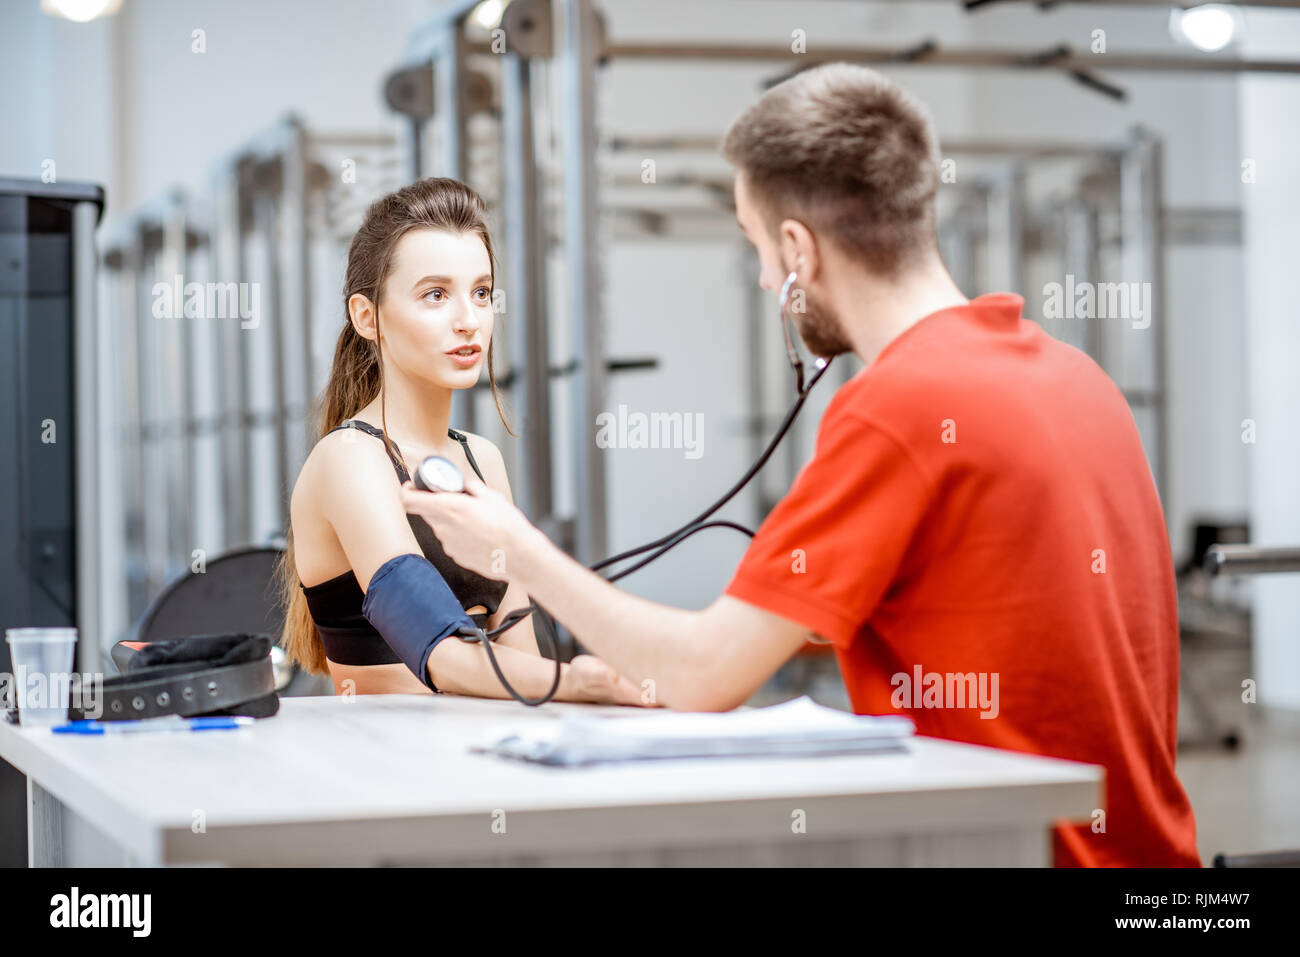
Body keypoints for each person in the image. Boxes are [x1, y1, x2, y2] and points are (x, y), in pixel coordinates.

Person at [399, 64, 1201, 867]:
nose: (760, 277)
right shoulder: (1075, 375)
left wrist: (516, 549)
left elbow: (705, 677)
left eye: (755, 244)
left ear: (796, 249)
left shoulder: (898, 405)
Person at [278, 177, 643, 706]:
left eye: (481, 293)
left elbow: (522, 656)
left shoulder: (482, 459)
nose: (469, 321)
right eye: (435, 295)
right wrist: (581, 682)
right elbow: (441, 654)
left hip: (485, 745)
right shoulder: (349, 458)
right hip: (384, 753)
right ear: (367, 317)